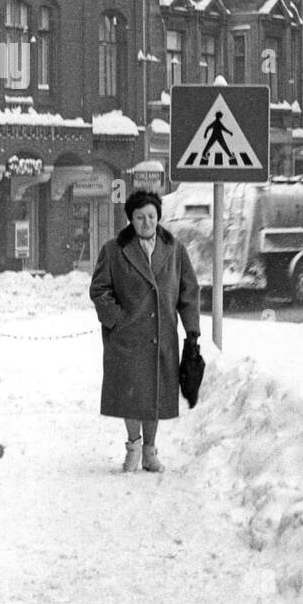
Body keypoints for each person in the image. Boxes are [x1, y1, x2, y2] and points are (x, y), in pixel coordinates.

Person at [90, 189, 201, 472]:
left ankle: (150, 452)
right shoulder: (113, 250)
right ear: (130, 219)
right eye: (140, 217)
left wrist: (192, 331)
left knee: (154, 396)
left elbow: (189, 291)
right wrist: (116, 320)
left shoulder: (175, 249)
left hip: (161, 336)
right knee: (131, 396)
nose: (146, 222)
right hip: (127, 338)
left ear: (158, 217)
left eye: (151, 216)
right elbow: (100, 290)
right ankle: (133, 447)